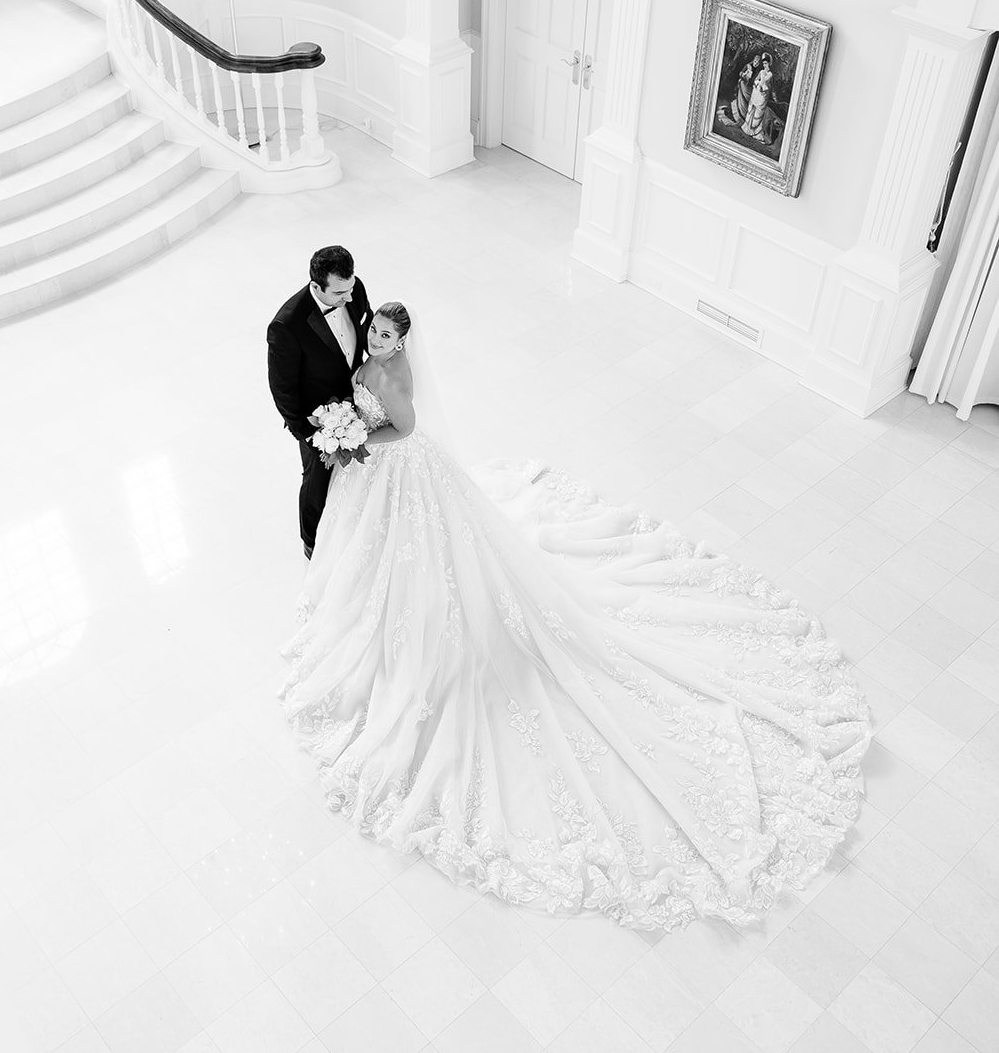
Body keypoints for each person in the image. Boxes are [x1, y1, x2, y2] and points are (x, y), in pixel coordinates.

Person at [280, 302, 871, 932]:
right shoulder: (370, 356)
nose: (377, 338)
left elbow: (404, 428)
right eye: (376, 331)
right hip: (376, 477)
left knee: (441, 565)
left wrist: (358, 436)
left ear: (404, 342)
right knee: (385, 556)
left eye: (388, 335)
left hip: (398, 465)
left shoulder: (394, 379)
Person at [267, 245, 372, 559]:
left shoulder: (352, 289)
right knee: (317, 479)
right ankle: (312, 541)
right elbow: (282, 388)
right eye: (340, 293)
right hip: (319, 420)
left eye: (351, 289)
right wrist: (308, 433)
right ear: (316, 287)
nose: (349, 298)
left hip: (358, 399)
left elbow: (364, 326)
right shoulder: (287, 325)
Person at [740, 52, 784, 147]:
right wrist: (757, 83)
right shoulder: (761, 72)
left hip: (763, 95)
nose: (764, 65)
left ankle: (757, 133)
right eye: (763, 64)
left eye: (766, 64)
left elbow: (769, 85)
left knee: (758, 114)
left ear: (769, 64)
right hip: (756, 93)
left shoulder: (770, 74)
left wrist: (763, 86)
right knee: (751, 110)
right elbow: (756, 79)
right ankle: (748, 129)